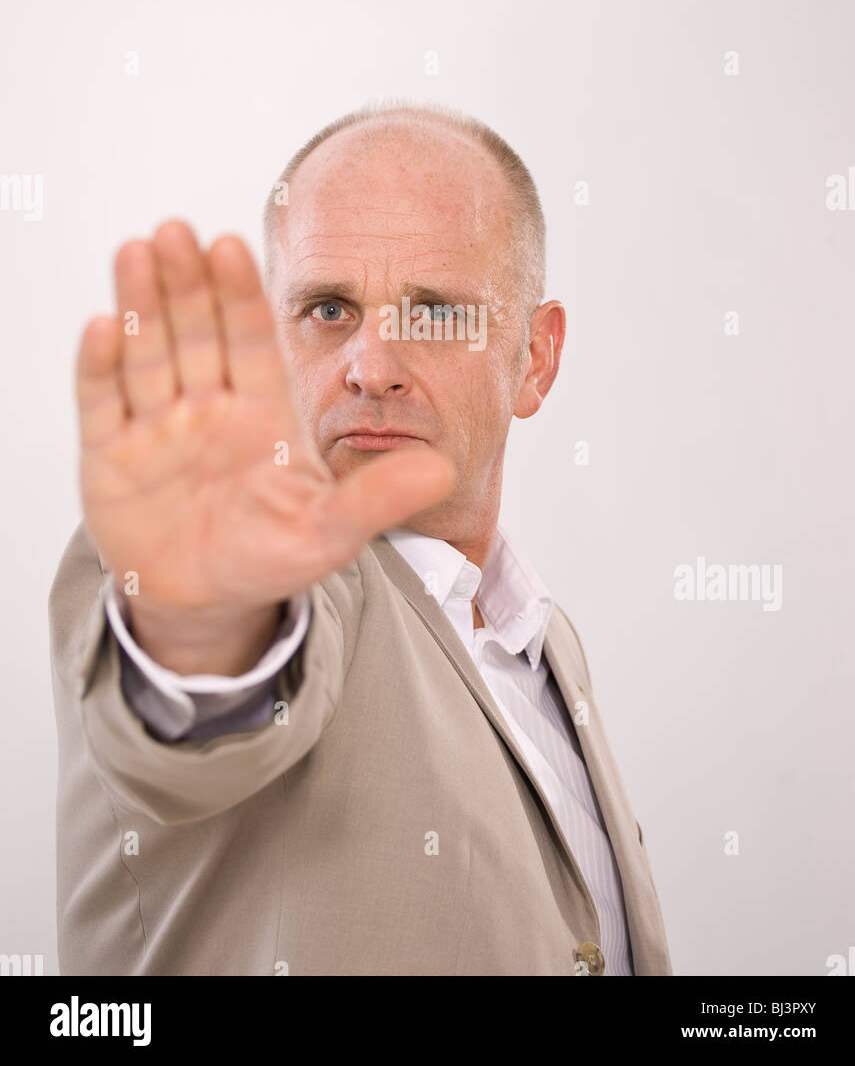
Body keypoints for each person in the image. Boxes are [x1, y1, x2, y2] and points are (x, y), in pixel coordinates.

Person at [49, 100, 672, 976]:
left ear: (535, 357)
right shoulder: (242, 565)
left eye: (435, 313)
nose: (373, 365)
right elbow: (201, 711)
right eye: (329, 308)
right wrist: (198, 633)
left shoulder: (544, 640)